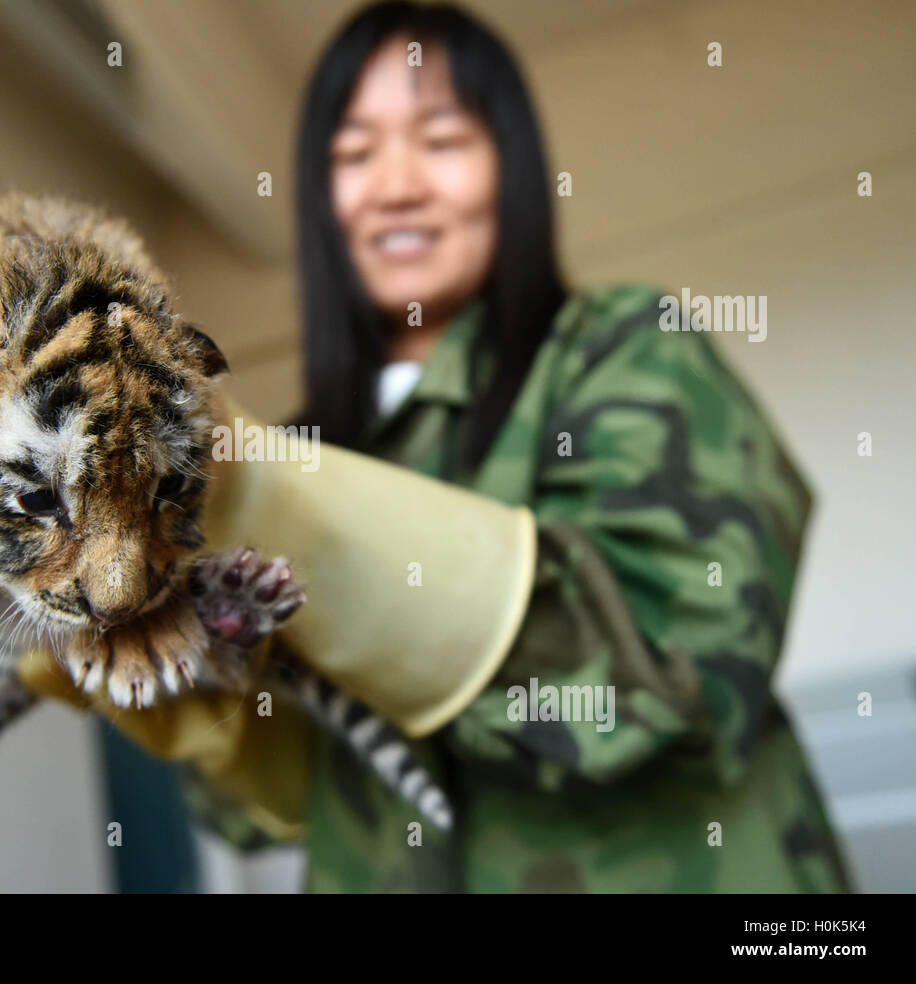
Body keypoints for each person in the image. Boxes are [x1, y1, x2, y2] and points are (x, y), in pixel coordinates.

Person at [175, 0, 851, 893]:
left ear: (513, 169)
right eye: (353, 153)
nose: (396, 184)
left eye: (442, 139)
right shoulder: (296, 448)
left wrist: (286, 515)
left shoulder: (622, 348)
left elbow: (673, 682)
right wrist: (171, 663)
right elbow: (259, 807)